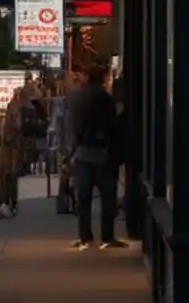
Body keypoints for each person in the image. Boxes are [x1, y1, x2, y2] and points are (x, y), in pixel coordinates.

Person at [65, 64, 125, 250]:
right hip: (103, 153)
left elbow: (73, 125)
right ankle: (107, 236)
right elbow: (113, 125)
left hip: (82, 152)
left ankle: (85, 236)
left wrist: (71, 149)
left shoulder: (77, 97)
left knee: (84, 197)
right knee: (108, 197)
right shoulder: (105, 98)